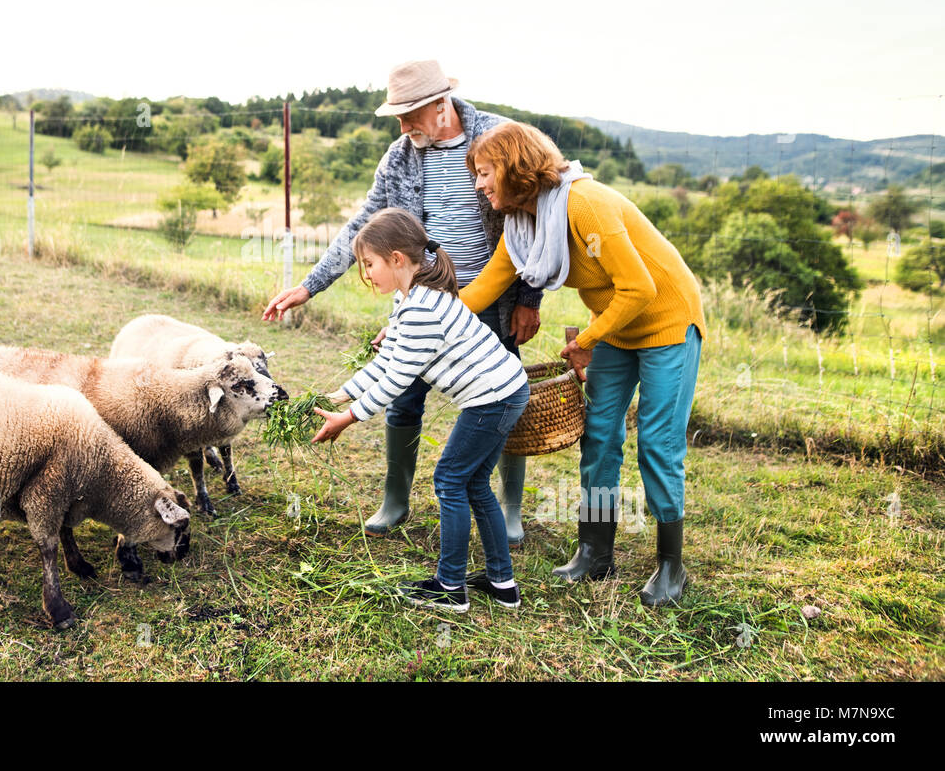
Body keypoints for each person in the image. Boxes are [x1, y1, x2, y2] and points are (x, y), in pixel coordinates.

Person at [262, 59, 542, 543]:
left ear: (440, 106)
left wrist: (529, 298)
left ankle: (510, 510)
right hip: (426, 299)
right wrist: (310, 285)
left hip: (493, 302)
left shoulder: (499, 138)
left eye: (409, 114)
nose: (402, 125)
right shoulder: (400, 155)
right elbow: (361, 225)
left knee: (500, 396)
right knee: (403, 393)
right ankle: (396, 500)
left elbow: (531, 220)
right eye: (397, 116)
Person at [458, 120, 706, 607]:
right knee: (598, 437)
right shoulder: (524, 225)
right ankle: (595, 551)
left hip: (667, 323)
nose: (480, 183)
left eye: (486, 172)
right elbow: (483, 289)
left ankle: (672, 567)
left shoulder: (585, 204)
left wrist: (588, 339)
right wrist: (414, 323)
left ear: (514, 167)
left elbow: (641, 288)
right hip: (616, 326)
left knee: (656, 443)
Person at [310, 208, 531, 612]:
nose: (367, 274)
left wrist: (349, 417)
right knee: (474, 484)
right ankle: (502, 583)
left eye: (370, 264)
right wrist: (337, 397)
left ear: (397, 259)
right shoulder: (409, 297)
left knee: (449, 479)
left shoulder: (420, 310)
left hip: (493, 399)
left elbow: (396, 381)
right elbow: (386, 362)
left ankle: (450, 587)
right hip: (503, 391)